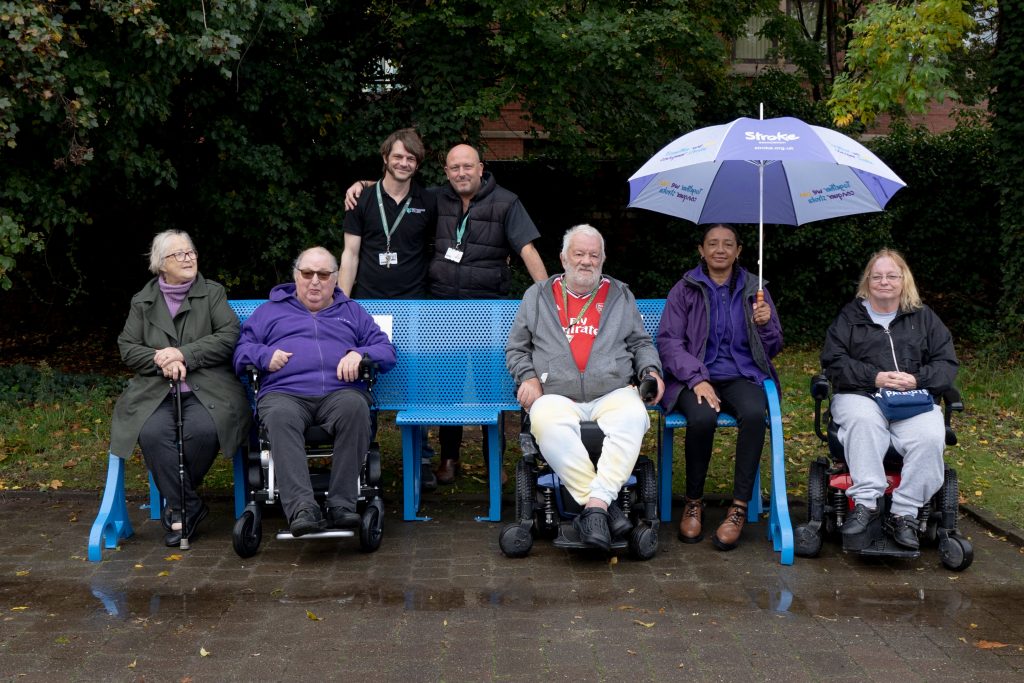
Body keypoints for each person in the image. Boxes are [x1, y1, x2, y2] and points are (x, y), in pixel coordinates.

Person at [345, 142, 549, 485]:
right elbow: (395, 185)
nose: (461, 173)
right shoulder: (437, 198)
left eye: (467, 166)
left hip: (488, 311)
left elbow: (527, 249)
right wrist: (364, 184)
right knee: (446, 387)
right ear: (446, 173)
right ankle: (449, 459)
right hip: (442, 311)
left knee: (490, 389)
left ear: (481, 168)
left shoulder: (506, 201)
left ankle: (491, 461)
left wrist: (547, 298)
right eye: (454, 168)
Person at [505, 224, 664, 552]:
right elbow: (517, 349)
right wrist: (528, 378)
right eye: (579, 254)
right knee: (544, 421)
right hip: (556, 393)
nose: (586, 261)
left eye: (594, 255)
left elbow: (640, 342)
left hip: (612, 390)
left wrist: (651, 370)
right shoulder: (538, 296)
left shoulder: (620, 294)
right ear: (563, 258)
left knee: (634, 416)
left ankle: (594, 509)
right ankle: (606, 509)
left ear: (603, 260)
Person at [232, 247, 397, 537]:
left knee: (355, 408)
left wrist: (360, 354)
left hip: (340, 393)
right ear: (296, 276)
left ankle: (342, 506)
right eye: (307, 274)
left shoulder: (351, 312)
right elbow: (240, 352)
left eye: (323, 274)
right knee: (280, 416)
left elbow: (386, 351)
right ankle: (302, 510)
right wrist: (264, 355)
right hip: (285, 394)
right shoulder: (270, 311)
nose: (315, 281)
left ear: (335, 278)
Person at [109, 230, 251, 547]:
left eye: (191, 252)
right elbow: (127, 348)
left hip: (208, 389)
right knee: (151, 432)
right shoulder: (142, 301)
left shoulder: (212, 293)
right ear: (161, 264)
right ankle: (190, 506)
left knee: (202, 430)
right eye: (179, 254)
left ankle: (178, 507)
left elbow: (229, 336)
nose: (189, 258)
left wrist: (184, 354)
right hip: (155, 392)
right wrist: (161, 358)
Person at [820, 248, 958, 550]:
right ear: (867, 281)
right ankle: (867, 504)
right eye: (877, 276)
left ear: (903, 280)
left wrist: (916, 379)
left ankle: (904, 513)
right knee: (864, 421)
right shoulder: (850, 317)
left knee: (930, 435)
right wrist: (876, 377)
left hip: (912, 397)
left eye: (892, 275)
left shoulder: (923, 317)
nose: (884, 281)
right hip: (861, 394)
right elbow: (833, 362)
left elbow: (947, 363)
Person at [656, 224, 783, 551]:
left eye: (728, 244)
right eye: (713, 243)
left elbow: (773, 347)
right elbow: (669, 343)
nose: (720, 249)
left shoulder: (755, 289)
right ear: (701, 250)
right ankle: (694, 501)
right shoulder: (685, 289)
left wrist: (766, 324)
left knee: (755, 413)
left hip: (742, 375)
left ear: (740, 251)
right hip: (694, 377)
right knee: (701, 418)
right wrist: (697, 378)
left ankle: (738, 508)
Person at [340, 127, 438, 490]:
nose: (404, 162)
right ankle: (361, 454)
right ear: (385, 158)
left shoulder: (429, 201)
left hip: (414, 306)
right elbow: (350, 254)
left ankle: (422, 459)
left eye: (411, 158)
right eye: (398, 156)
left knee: (417, 382)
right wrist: (342, 305)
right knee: (363, 379)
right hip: (368, 305)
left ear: (417, 164)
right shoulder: (362, 200)